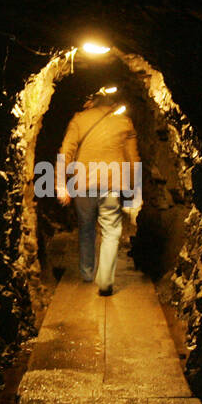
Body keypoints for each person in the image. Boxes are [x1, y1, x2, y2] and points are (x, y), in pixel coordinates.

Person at [56, 87, 142, 296]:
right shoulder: (124, 122)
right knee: (111, 230)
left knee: (86, 228)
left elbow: (66, 151)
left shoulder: (80, 119)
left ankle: (87, 272)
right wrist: (135, 191)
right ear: (112, 104)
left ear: (93, 101)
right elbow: (133, 159)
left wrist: (61, 183)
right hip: (112, 184)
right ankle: (105, 281)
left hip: (83, 183)